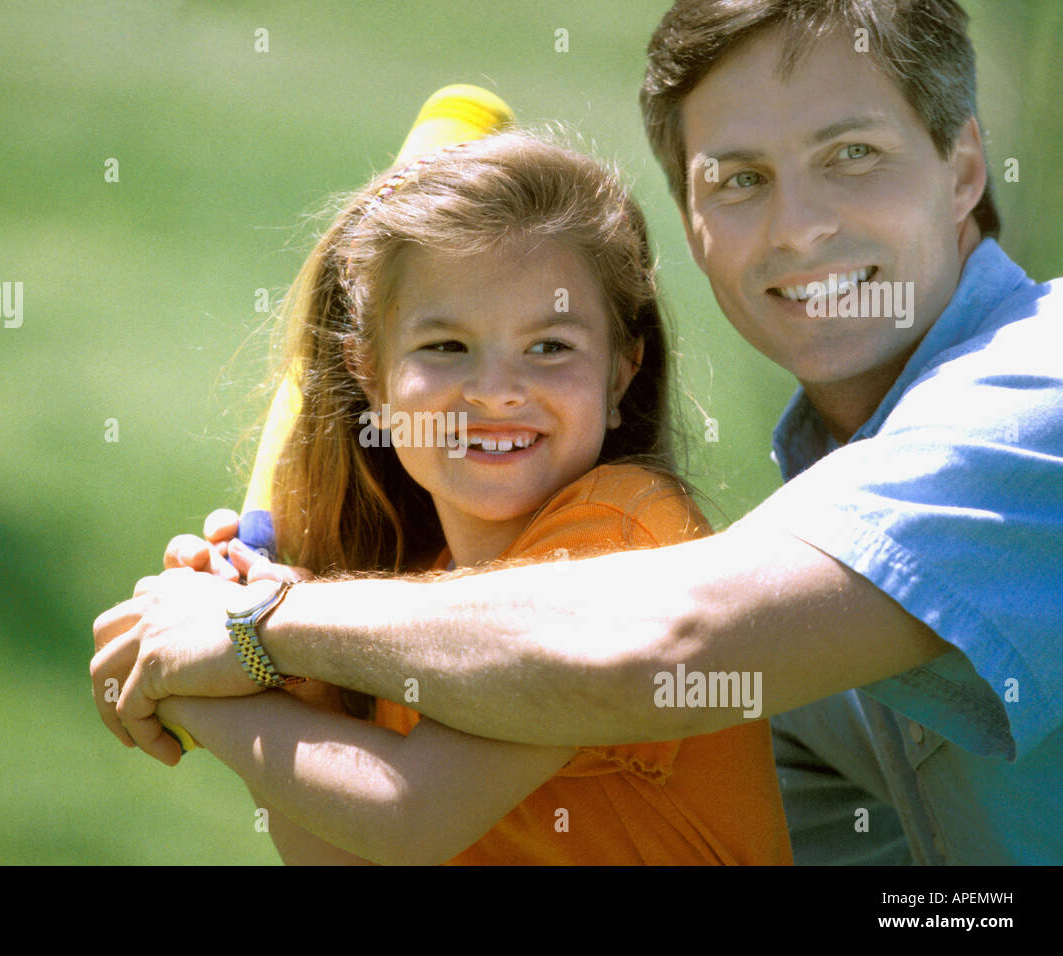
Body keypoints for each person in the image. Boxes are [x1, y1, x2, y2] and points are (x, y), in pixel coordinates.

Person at [92, 0, 1063, 864]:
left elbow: (661, 639)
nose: (797, 226)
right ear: (691, 220)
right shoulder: (802, 590)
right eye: (738, 178)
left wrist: (248, 633)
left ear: (963, 165)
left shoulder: (1036, 391)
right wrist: (241, 654)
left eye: (851, 154)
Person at [112, 129, 793, 865]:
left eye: (551, 347)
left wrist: (191, 672)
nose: (498, 391)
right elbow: (342, 854)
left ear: (621, 374)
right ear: (368, 372)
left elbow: (411, 813)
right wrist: (284, 685)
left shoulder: (624, 533)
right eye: (445, 346)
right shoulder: (424, 605)